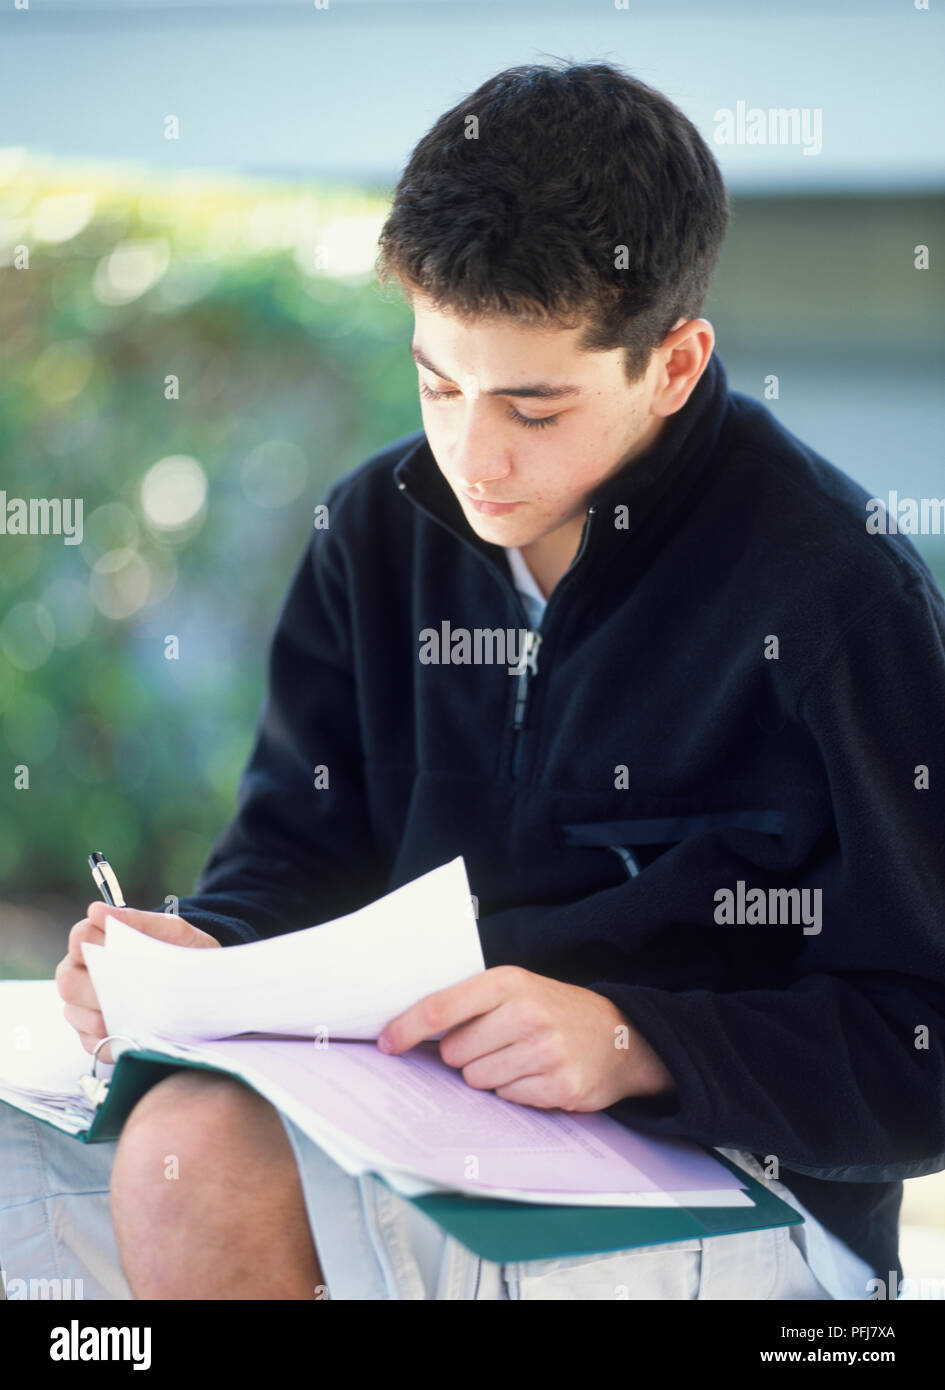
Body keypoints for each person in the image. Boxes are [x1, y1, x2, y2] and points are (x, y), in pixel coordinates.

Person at [4, 60, 944, 1301]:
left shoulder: (838, 594)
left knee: (202, 1158)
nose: (471, 455)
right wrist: (198, 959)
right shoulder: (374, 533)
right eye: (437, 383)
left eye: (535, 409)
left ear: (674, 362)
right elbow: (292, 861)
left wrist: (638, 1041)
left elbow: (920, 1045)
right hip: (410, 1109)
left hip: (734, 1172)